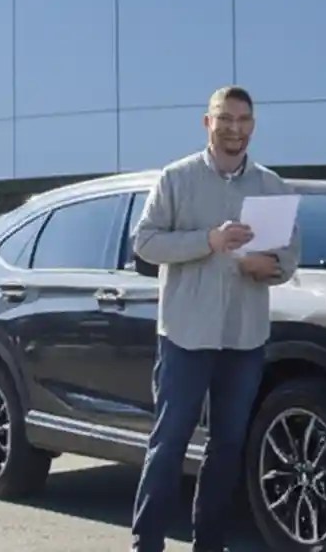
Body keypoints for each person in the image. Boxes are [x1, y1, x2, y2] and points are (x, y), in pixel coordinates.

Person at [129, 85, 300, 552]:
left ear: (253, 126)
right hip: (185, 335)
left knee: (227, 447)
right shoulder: (175, 179)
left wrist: (273, 267)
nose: (234, 129)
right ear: (207, 123)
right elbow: (144, 243)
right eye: (225, 119)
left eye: (243, 120)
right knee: (169, 444)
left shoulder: (271, 186)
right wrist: (209, 240)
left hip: (243, 337)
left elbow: (290, 254)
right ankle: (147, 543)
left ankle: (210, 543)